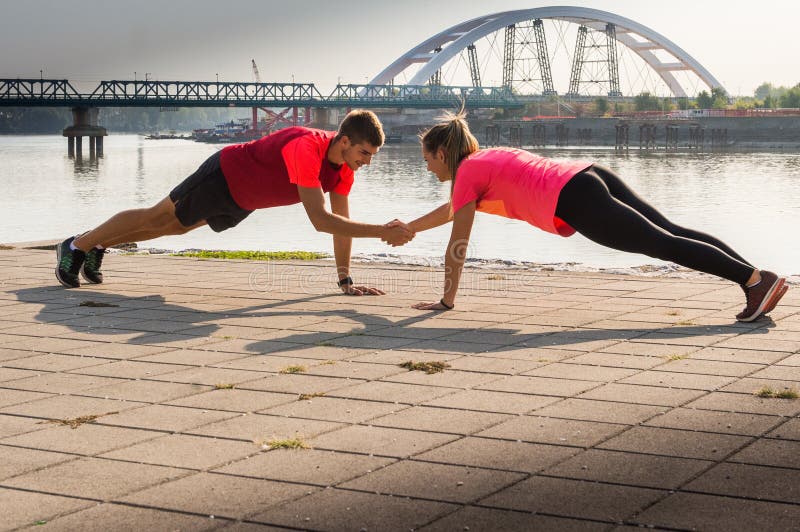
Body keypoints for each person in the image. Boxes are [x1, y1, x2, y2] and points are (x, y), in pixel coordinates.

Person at [406, 113, 787, 322]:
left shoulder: (468, 172)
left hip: (574, 197)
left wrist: (447, 300)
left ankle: (755, 281)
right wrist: (409, 227)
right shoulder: (486, 157)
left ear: (442, 152)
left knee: (662, 244)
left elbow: (459, 240)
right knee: (671, 231)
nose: (428, 168)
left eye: (427, 160)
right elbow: (454, 211)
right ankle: (757, 279)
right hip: (588, 174)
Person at [55, 109, 414, 295]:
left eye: (372, 157)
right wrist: (382, 231)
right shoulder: (308, 148)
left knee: (172, 230)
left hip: (244, 200)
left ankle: (96, 243)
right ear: (345, 140)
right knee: (158, 216)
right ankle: (76, 245)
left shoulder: (343, 169)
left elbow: (342, 226)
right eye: (364, 153)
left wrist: (345, 280)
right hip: (225, 174)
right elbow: (322, 221)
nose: (366, 162)